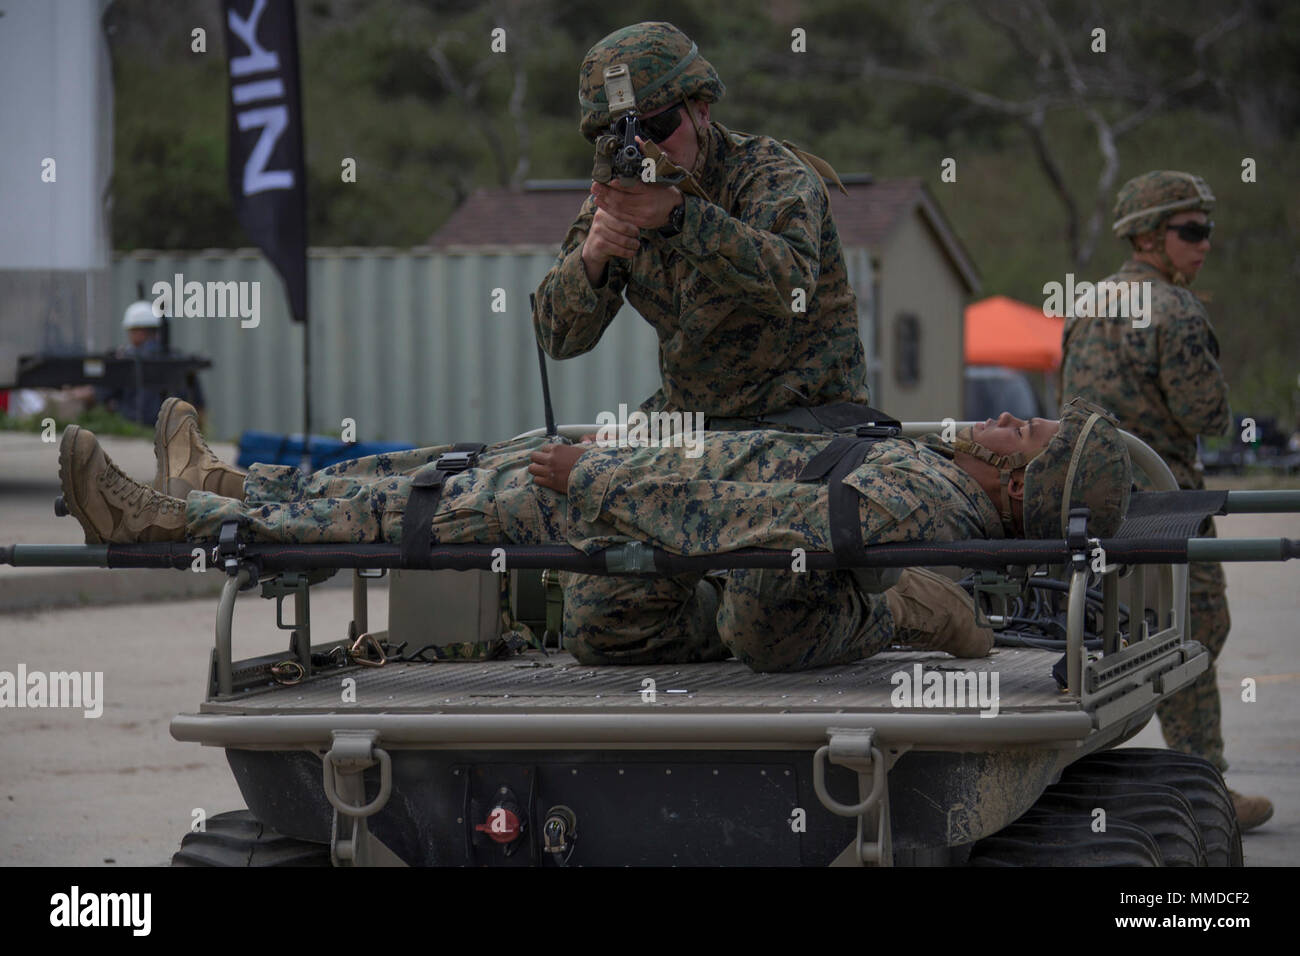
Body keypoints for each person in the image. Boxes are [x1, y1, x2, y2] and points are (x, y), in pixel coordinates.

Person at [56, 398, 1130, 674]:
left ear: (1020, 481)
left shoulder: (929, 503)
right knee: (452, 466)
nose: (1008, 417)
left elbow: (774, 533)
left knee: (442, 509)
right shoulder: (934, 472)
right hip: (648, 494)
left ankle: (163, 518)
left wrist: (606, 480)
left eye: (1027, 432)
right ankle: (233, 484)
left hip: (641, 509)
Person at [532, 21, 873, 665]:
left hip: (799, 429)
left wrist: (681, 218)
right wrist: (594, 260)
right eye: (619, 134)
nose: (642, 146)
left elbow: (790, 285)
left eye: (659, 126)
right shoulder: (617, 195)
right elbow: (557, 335)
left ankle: (902, 608)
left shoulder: (770, 176)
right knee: (599, 626)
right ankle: (724, 611)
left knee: (769, 631)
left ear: (702, 109)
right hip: (694, 432)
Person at [1059, 170, 1272, 830]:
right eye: (1192, 230)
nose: (1205, 243)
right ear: (1150, 236)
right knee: (1195, 631)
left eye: (1207, 230)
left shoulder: (1088, 303)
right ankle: (1205, 789)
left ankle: (1077, 782)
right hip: (1170, 505)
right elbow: (1208, 413)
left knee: (1109, 638)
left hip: (1095, 504)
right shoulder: (1177, 310)